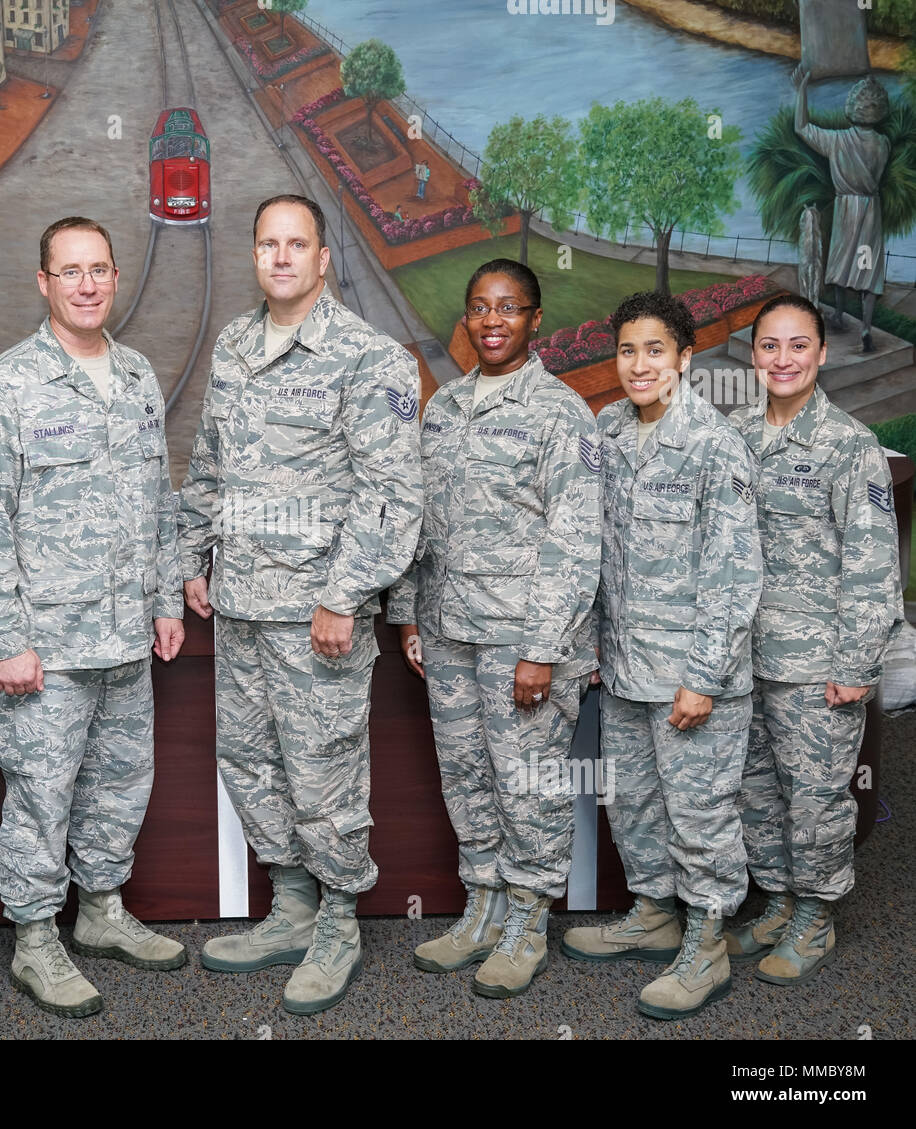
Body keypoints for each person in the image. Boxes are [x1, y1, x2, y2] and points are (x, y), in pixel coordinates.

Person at [179, 193, 422, 1015]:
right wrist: (194, 556)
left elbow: (391, 496)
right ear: (254, 255)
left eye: (297, 245)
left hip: (318, 616)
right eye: (267, 244)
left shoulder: (368, 357)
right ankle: (292, 905)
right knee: (250, 762)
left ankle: (341, 919)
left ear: (323, 259)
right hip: (242, 605)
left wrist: (343, 593)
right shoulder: (236, 343)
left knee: (323, 775)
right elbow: (209, 462)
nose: (280, 257)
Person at [0, 216, 187, 1018]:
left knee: (119, 787)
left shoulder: (138, 376)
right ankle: (35, 940)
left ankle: (101, 912)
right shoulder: (10, 383)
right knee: (41, 795)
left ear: (116, 277)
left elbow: (159, 502)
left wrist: (164, 601)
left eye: (99, 269)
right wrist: (5, 640)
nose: (86, 284)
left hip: (125, 639)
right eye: (70, 271)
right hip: (45, 649)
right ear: (44, 283)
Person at [386, 259, 601, 998]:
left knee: (528, 784)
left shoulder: (561, 413)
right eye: (480, 307)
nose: (493, 320)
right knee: (467, 777)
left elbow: (575, 542)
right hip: (449, 632)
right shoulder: (443, 407)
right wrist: (408, 613)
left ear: (536, 318)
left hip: (522, 642)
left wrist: (543, 650)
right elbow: (419, 521)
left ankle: (527, 922)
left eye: (509, 307)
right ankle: (481, 907)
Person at [561, 291, 762, 1020]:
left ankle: (707, 943)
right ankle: (654, 913)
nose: (638, 364)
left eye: (654, 351)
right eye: (625, 350)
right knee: (638, 805)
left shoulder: (715, 442)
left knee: (701, 812)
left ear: (685, 359)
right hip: (623, 669)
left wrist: (705, 676)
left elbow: (735, 570)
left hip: (690, 675)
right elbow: (593, 554)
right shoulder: (608, 430)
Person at [725, 294, 903, 985]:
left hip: (816, 663)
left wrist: (857, 662)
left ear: (822, 354)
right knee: (757, 790)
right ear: (753, 354)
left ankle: (817, 915)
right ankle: (778, 899)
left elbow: (873, 563)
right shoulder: (735, 435)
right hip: (745, 656)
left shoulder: (849, 445)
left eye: (798, 346)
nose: (783, 359)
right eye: (770, 345)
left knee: (817, 797)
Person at [793, 69, 890, 352]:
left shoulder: (837, 141)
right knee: (868, 269)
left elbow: (802, 128)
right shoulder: (883, 144)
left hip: (847, 206)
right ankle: (866, 328)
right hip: (871, 208)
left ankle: (837, 312)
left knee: (841, 260)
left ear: (852, 107)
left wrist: (802, 90)